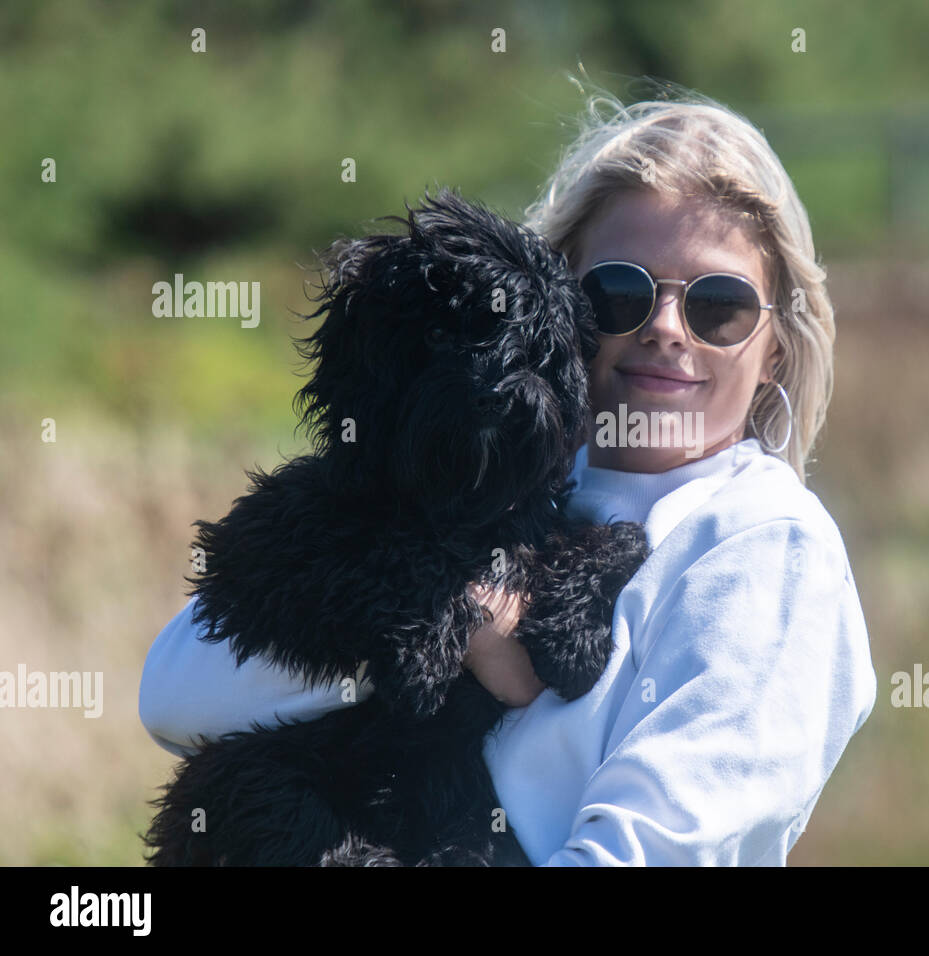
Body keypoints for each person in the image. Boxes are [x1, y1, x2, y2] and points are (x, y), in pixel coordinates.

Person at [138, 79, 878, 866]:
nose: (665, 328)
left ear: (775, 349)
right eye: (618, 294)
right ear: (559, 303)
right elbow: (178, 697)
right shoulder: (479, 471)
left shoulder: (764, 542)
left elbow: (651, 850)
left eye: (718, 307)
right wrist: (460, 624)